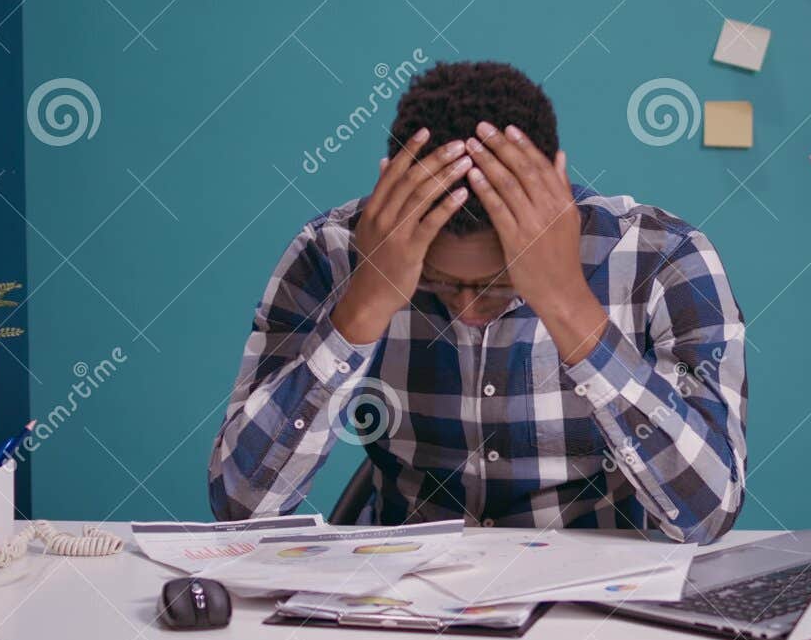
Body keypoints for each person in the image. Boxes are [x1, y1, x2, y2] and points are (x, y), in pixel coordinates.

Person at [208, 61, 746, 543]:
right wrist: (362, 309)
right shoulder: (330, 252)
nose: (468, 313)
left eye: (503, 284)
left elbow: (708, 514)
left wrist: (568, 307)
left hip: (594, 620)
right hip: (398, 612)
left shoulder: (665, 258)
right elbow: (242, 508)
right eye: (439, 283)